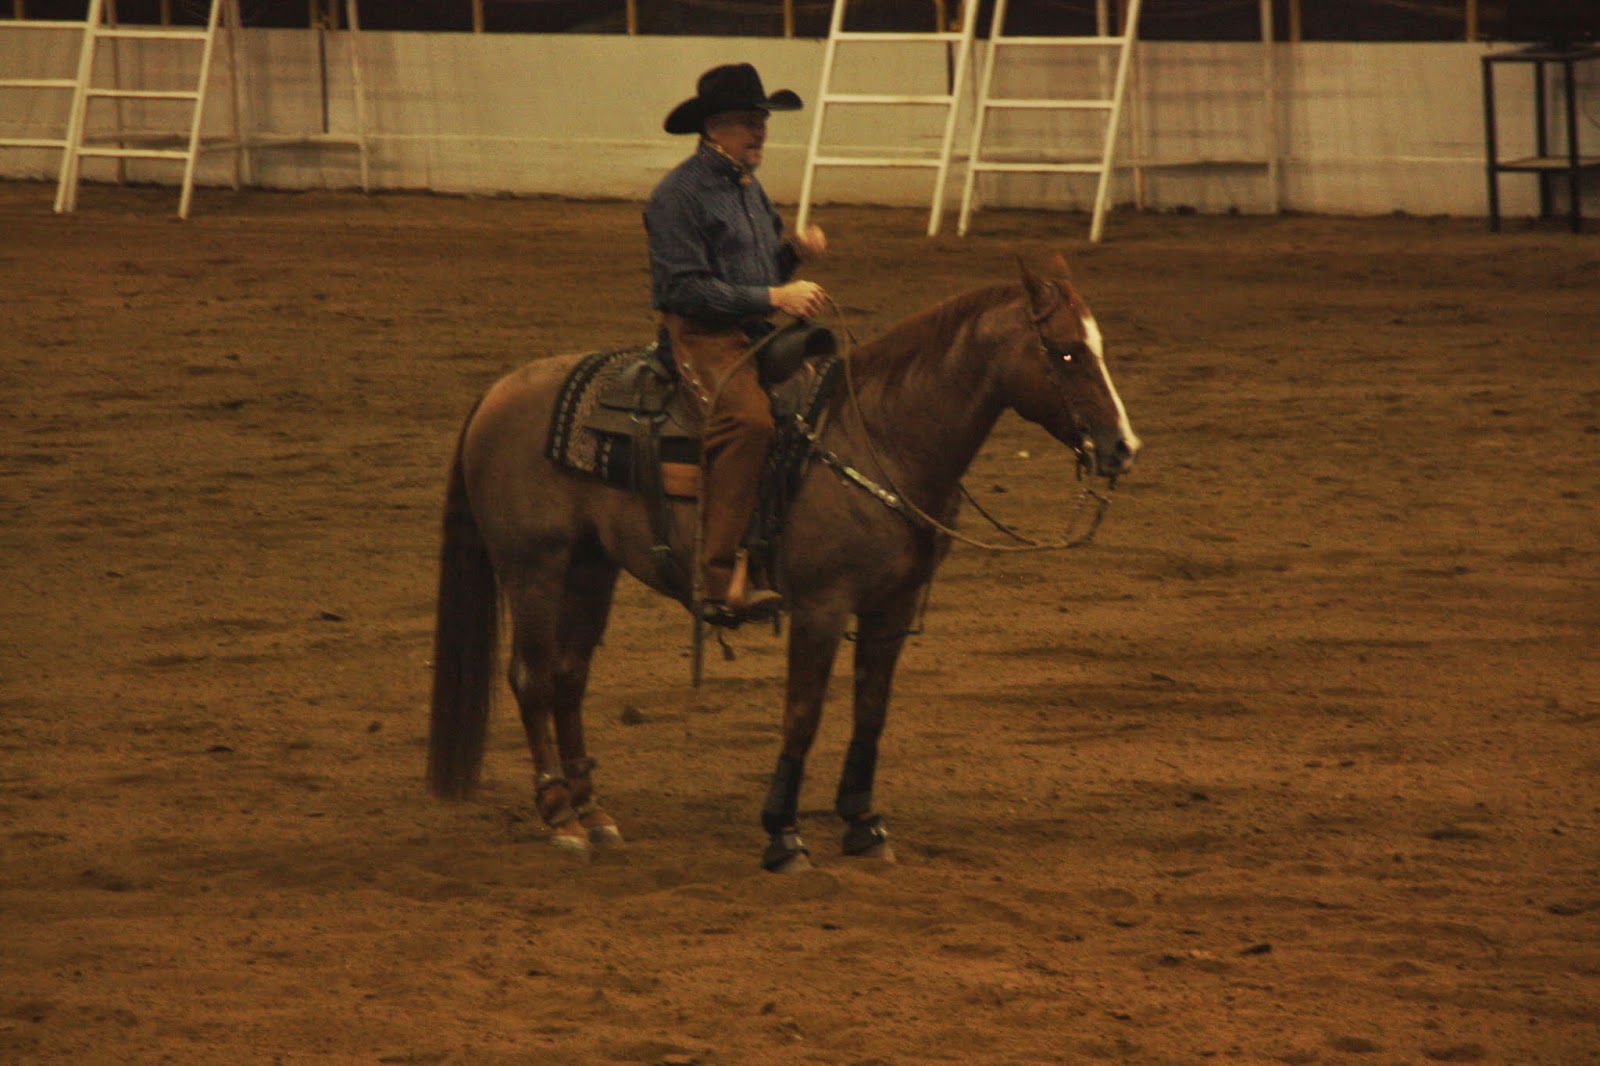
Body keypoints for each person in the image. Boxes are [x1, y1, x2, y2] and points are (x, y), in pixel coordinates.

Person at [645, 63, 829, 627]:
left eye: (762, 122)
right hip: (700, 335)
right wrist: (777, 294)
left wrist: (792, 254)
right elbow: (683, 288)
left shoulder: (749, 189)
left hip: (747, 329)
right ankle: (718, 579)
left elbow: (757, 267)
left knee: (823, 400)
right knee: (749, 422)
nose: (761, 133)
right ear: (715, 127)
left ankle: (783, 547)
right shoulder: (677, 196)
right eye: (750, 122)